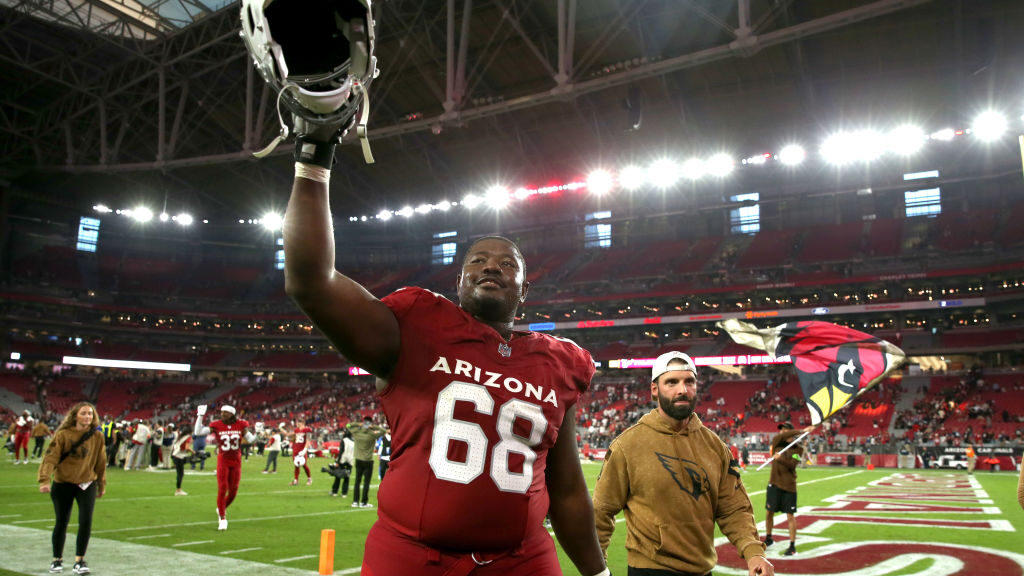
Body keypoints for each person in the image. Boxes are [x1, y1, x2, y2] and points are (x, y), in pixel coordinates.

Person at [284, 143, 608, 574]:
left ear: (524, 290)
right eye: (478, 260)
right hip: (412, 556)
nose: (492, 267)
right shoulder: (416, 326)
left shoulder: (557, 363)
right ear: (459, 281)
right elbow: (311, 281)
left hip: (521, 558)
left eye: (508, 264)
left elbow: (566, 489)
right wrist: (315, 158)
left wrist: (598, 572)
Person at [592, 351, 773, 576]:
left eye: (689, 381)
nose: (682, 390)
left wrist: (754, 551)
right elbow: (601, 511)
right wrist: (595, 570)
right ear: (654, 390)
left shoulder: (715, 446)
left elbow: (734, 507)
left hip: (703, 569)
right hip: (649, 570)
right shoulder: (627, 446)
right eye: (672, 382)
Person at [37, 402, 106, 575]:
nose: (88, 417)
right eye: (84, 413)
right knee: (62, 521)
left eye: (90, 414)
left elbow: (101, 462)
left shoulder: (98, 436)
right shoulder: (63, 435)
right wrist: (44, 480)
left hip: (87, 483)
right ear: (75, 416)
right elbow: (50, 458)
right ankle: (56, 560)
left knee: (86, 521)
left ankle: (80, 560)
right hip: (63, 483)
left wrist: (101, 484)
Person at [195, 405, 252, 530]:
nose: (222, 414)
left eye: (225, 412)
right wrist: (200, 416)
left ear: (232, 414)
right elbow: (197, 432)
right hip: (223, 460)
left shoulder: (241, 424)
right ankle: (222, 518)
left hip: (236, 461)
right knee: (222, 488)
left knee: (233, 491)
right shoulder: (217, 424)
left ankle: (221, 507)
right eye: (221, 412)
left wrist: (258, 433)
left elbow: (251, 439)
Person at [764, 421, 804, 557]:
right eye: (781, 431)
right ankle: (769, 538)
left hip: (789, 486)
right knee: (769, 512)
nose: (781, 433)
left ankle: (792, 546)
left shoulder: (798, 449)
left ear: (791, 434)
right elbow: (777, 438)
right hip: (774, 484)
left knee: (790, 516)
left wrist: (780, 459)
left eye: (785, 431)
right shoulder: (777, 444)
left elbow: (793, 465)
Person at [345, 416, 385, 508]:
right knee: (366, 482)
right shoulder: (372, 434)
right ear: (370, 423)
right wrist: (374, 426)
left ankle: (355, 501)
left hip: (358, 460)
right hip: (368, 461)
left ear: (363, 422)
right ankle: (364, 502)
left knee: (357, 482)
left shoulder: (356, 432)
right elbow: (383, 431)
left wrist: (358, 424)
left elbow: (348, 425)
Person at [330, 429, 355, 497]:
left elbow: (341, 452)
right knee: (347, 477)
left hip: (343, 460)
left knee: (338, 476)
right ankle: (344, 493)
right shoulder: (353, 441)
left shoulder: (344, 440)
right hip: (350, 461)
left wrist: (337, 462)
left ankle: (335, 491)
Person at [289, 417, 313, 486]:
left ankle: (309, 478)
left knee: (304, 465)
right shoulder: (296, 430)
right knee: (296, 465)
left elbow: (308, 440)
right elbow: (292, 437)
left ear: (303, 423)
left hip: (302, 449)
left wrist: (304, 450)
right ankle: (296, 480)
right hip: (296, 449)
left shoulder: (307, 429)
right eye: (297, 423)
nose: (297, 424)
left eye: (299, 423)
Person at [171, 423, 194, 496]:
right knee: (180, 474)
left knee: (180, 473)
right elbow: (187, 447)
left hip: (175, 455)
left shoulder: (181, 436)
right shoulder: (188, 437)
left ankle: (178, 490)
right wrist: (193, 451)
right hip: (179, 456)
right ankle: (178, 490)